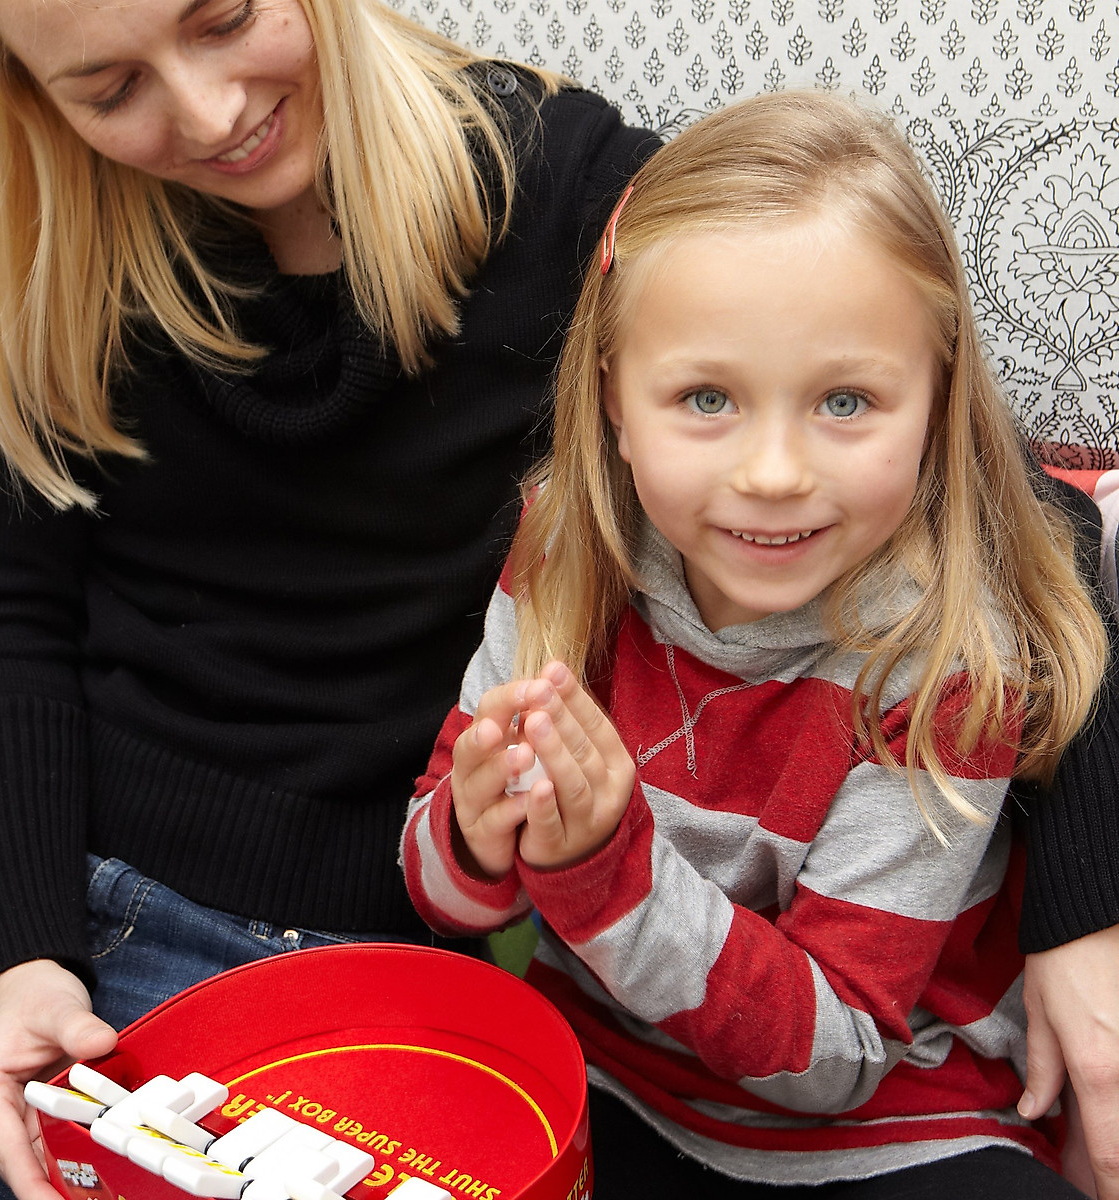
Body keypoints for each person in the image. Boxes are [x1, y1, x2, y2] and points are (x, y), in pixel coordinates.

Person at [0, 0, 1117, 1192]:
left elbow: (1007, 521)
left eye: (226, 19)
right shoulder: (49, 250)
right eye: (107, 90)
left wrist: (1084, 905)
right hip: (33, 865)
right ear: (33, 101)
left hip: (318, 945)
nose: (211, 111)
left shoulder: (575, 191)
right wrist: (25, 956)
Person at [401, 91, 1111, 1197]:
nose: (774, 473)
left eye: (844, 400)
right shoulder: (561, 549)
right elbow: (444, 897)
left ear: (936, 401)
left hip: (881, 1128)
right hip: (592, 1076)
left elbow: (832, 1061)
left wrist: (602, 869)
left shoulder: (947, 665)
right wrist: (477, 833)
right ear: (614, 401)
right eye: (705, 398)